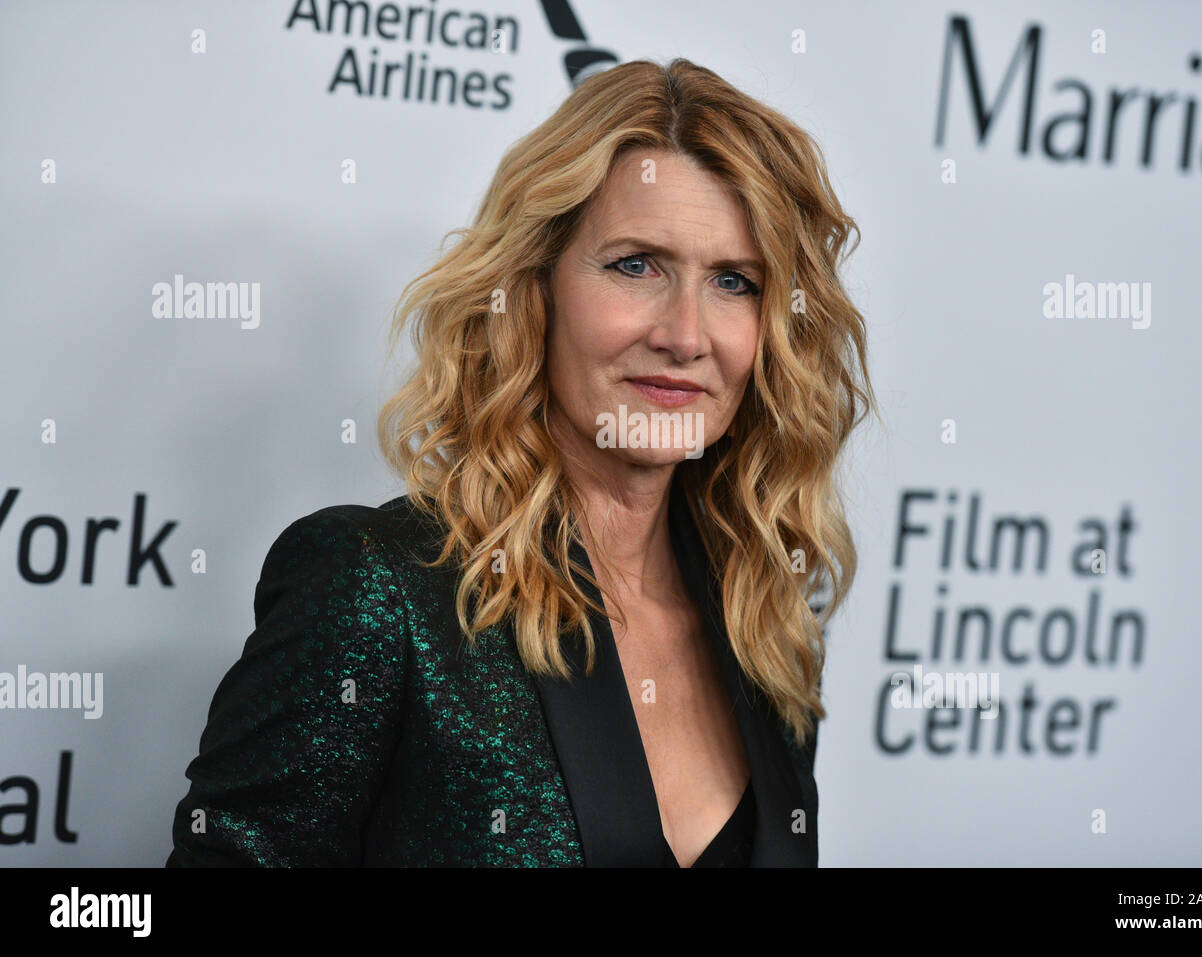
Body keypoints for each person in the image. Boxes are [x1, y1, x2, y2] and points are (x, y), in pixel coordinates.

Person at [165, 57, 876, 868]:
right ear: (532, 290)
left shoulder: (769, 630)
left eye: (733, 281)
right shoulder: (377, 591)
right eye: (635, 264)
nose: (686, 334)